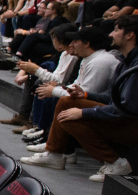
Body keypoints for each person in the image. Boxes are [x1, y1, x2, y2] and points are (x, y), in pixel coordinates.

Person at [22, 17, 137, 181]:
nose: (111, 34)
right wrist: (85, 96)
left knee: (68, 111)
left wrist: (84, 112)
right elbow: (112, 97)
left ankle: (115, 162)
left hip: (131, 123)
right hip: (121, 115)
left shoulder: (117, 64)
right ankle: (54, 153)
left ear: (130, 35)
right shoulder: (126, 62)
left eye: (116, 30)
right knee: (66, 104)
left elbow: (125, 109)